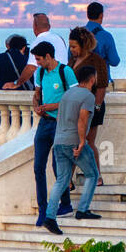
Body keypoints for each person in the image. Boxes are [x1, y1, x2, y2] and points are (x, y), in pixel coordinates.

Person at [41, 65, 102, 235]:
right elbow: (82, 120)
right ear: (92, 79)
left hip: (59, 142)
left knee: (61, 180)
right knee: (93, 174)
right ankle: (82, 210)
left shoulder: (67, 94)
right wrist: (82, 142)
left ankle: (50, 217)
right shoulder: (88, 96)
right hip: (74, 142)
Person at [31, 42, 75, 224]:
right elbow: (36, 94)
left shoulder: (66, 72)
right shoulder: (39, 73)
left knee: (58, 167)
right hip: (44, 123)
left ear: (48, 56)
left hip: (60, 123)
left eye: (39, 59)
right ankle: (43, 209)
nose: (37, 62)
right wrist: (37, 107)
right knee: (38, 167)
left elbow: (74, 99)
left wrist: (53, 106)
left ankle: (65, 203)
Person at [69, 26, 110, 184]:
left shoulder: (96, 61)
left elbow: (101, 86)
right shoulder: (72, 61)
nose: (72, 50)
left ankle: (96, 176)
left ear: (83, 44)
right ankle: (70, 178)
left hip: (91, 107)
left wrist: (97, 107)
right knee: (76, 141)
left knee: (86, 142)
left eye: (74, 46)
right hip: (76, 107)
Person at [11, 14, 69, 89]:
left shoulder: (37, 42)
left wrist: (17, 84)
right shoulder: (60, 39)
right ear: (49, 26)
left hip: (47, 87)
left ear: (34, 26)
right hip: (63, 84)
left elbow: (31, 68)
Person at [85, 1, 121, 71]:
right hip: (100, 79)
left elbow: (70, 58)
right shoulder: (106, 36)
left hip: (79, 79)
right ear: (101, 15)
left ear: (87, 15)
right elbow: (115, 62)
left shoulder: (77, 34)